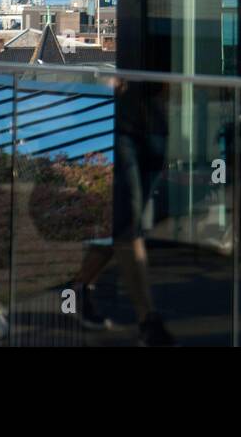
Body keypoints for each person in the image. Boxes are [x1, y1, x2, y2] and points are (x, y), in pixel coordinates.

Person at [67, 79, 175, 346]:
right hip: (124, 123)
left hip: (155, 125)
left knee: (121, 225)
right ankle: (147, 321)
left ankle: (74, 291)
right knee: (128, 226)